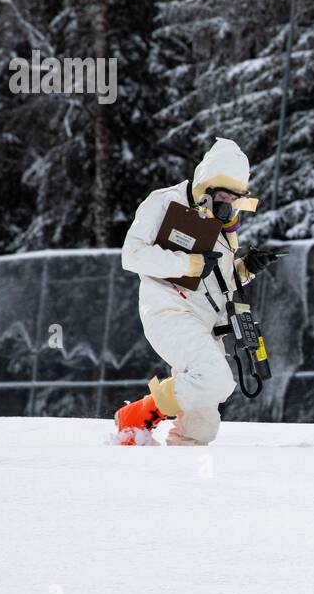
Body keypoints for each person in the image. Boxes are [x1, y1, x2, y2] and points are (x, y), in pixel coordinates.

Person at [113, 138, 278, 446]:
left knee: (201, 430)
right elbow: (131, 255)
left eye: (235, 197)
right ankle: (136, 416)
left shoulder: (221, 224)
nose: (227, 203)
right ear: (207, 185)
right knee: (216, 380)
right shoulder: (162, 202)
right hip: (168, 311)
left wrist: (247, 269)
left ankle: (183, 484)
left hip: (206, 323)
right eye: (223, 194)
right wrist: (187, 263)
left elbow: (218, 281)